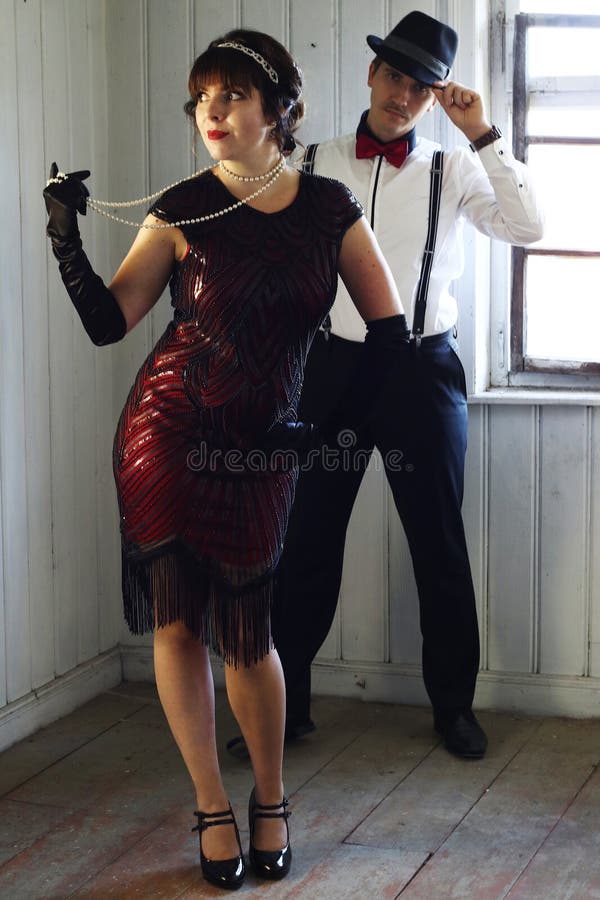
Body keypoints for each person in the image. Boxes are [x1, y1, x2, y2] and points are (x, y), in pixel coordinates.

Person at [42, 29, 408, 891]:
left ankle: (271, 798)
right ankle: (211, 804)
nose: (213, 111)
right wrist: (64, 239)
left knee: (249, 635)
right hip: (165, 433)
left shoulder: (328, 210)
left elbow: (388, 336)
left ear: (278, 108)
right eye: (202, 96)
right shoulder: (182, 205)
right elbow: (110, 322)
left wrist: (323, 432)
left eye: (233, 95)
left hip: (262, 448)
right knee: (176, 622)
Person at [263, 11, 544, 761]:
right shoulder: (313, 162)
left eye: (422, 88)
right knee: (308, 541)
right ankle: (285, 711)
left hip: (422, 374)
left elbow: (529, 225)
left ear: (434, 98)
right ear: (371, 75)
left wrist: (483, 136)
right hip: (334, 373)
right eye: (395, 77)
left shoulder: (455, 170)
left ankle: (453, 707)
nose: (403, 96)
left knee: (439, 546)